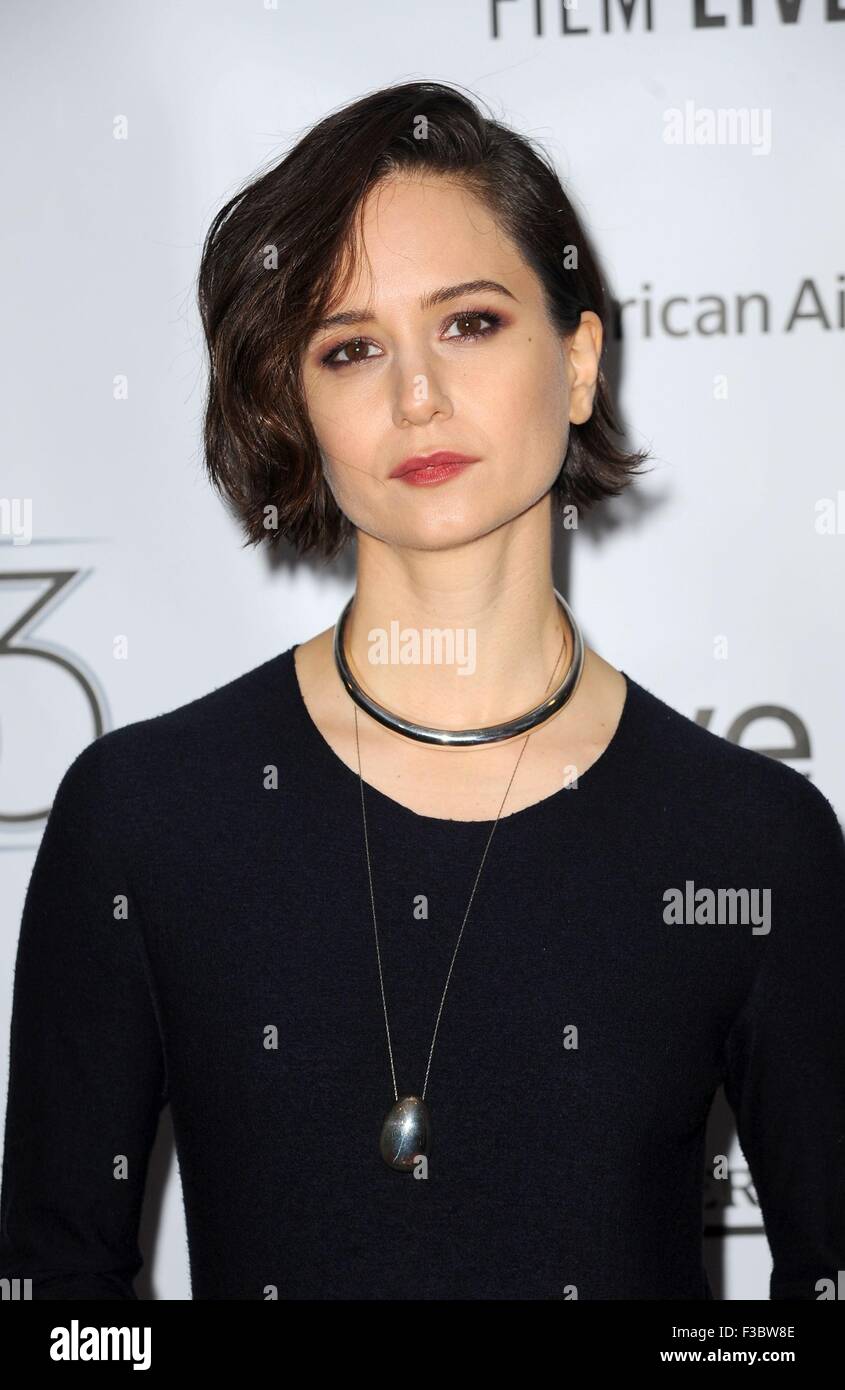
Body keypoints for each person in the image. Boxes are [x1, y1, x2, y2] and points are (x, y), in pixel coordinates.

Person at [1, 80, 843, 1301]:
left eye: (469, 323)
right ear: (296, 406)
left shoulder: (748, 844)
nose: (415, 396)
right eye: (350, 347)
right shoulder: (145, 819)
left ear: (577, 363)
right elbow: (56, 1311)